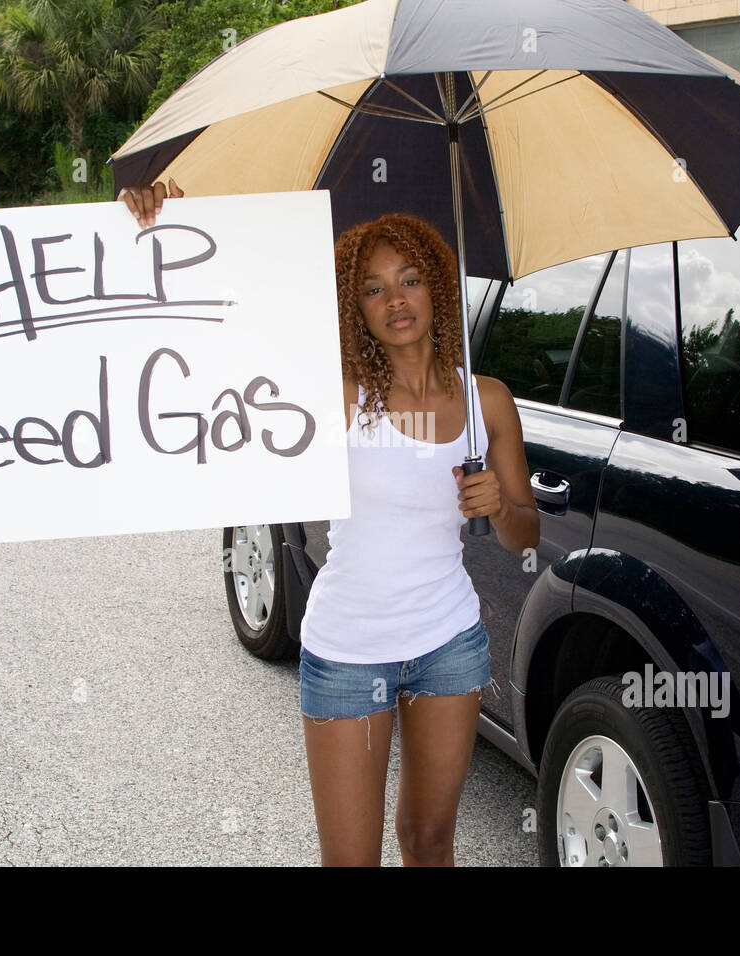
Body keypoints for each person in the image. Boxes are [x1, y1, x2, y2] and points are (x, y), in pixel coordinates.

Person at [120, 180, 540, 866]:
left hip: (448, 645)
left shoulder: (486, 401)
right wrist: (170, 225)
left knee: (430, 843)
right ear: (355, 306)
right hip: (349, 648)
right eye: (373, 289)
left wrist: (501, 503)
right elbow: (225, 338)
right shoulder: (336, 391)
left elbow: (528, 533)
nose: (396, 299)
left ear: (437, 285)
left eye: (409, 279)